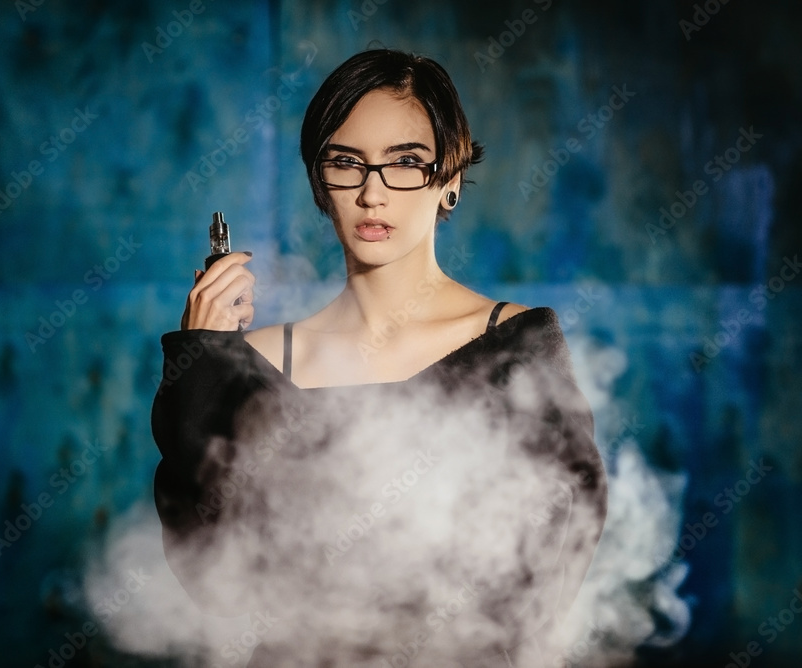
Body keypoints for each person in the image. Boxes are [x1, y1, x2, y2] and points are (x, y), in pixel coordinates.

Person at [152, 49, 607, 667]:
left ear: (449, 179)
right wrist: (202, 361)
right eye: (346, 163)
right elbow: (210, 577)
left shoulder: (514, 348)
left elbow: (551, 577)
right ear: (320, 184)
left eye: (405, 163)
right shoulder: (254, 361)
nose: (372, 193)